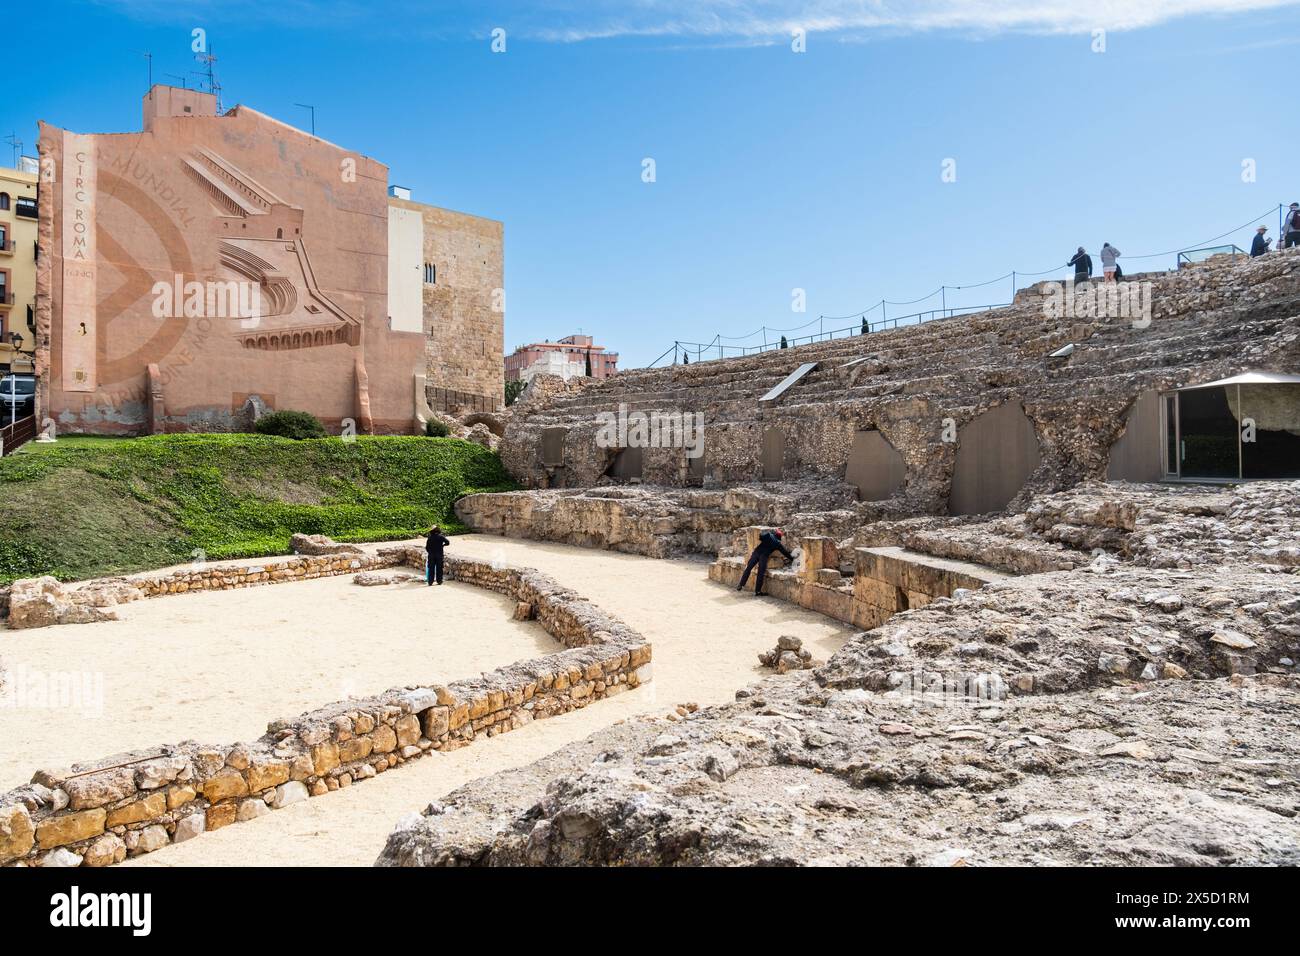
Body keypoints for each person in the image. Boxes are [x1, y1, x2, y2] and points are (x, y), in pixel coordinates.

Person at [735, 528, 794, 597]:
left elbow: (760, 537)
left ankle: (741, 584)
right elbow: (785, 552)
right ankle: (758, 591)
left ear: (774, 534)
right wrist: (792, 559)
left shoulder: (768, 535)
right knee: (760, 573)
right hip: (764, 556)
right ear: (779, 538)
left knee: (748, 568)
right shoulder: (778, 544)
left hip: (756, 553)